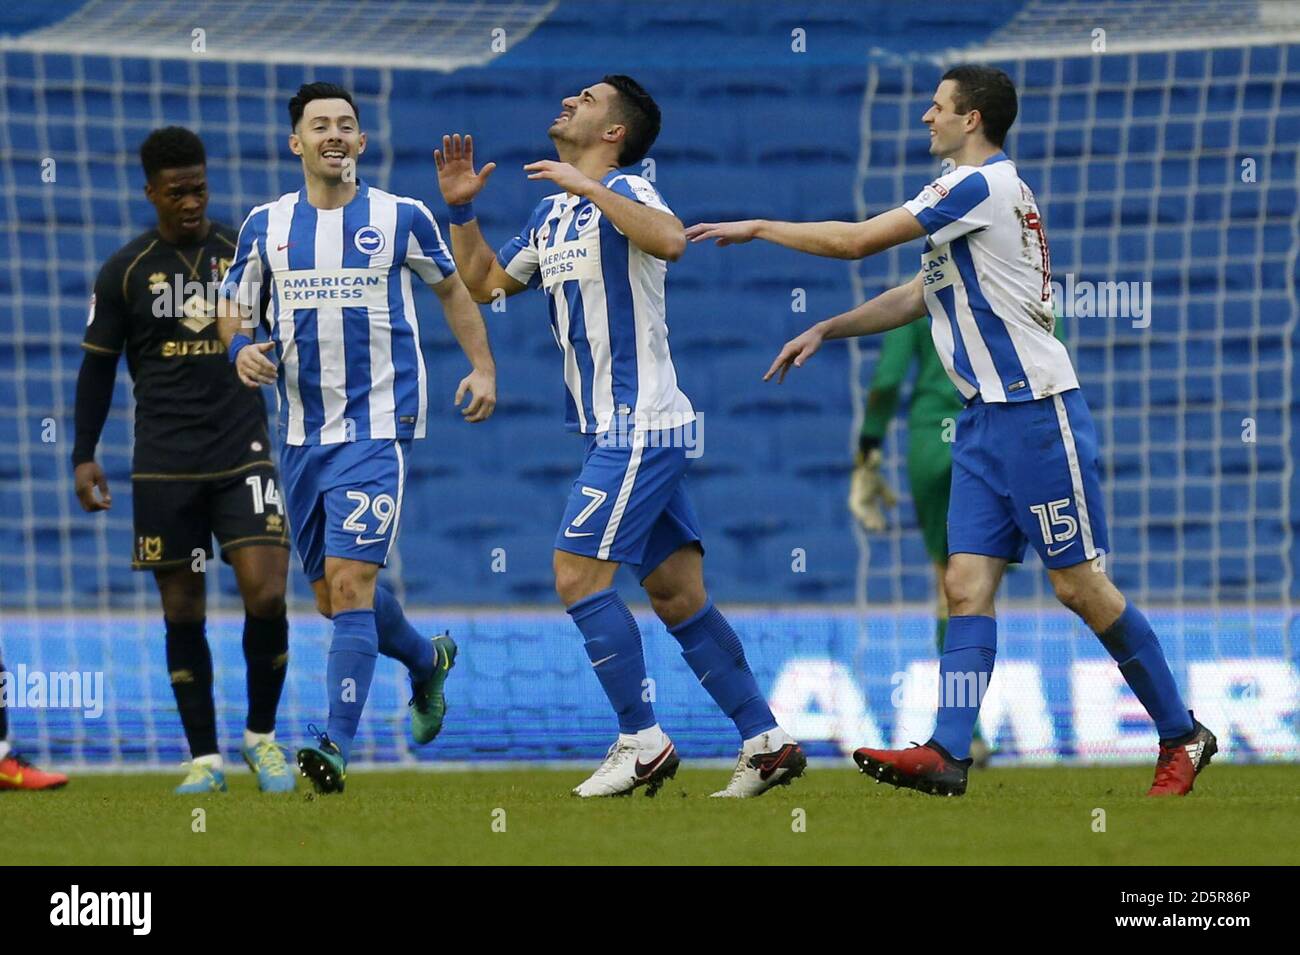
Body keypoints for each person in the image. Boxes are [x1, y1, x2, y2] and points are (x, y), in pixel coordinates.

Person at [687, 65, 1214, 797]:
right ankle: (947, 750)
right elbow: (919, 292)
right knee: (964, 584)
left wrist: (761, 225)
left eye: (936, 108)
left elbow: (857, 241)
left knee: (1078, 586)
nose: (925, 120)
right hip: (981, 426)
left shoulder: (977, 184)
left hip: (1035, 413)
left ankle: (1180, 733)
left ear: (972, 120)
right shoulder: (984, 200)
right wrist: (830, 327)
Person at [434, 75, 805, 797]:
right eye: (569, 92)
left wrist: (588, 185)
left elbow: (671, 242)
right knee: (675, 595)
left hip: (642, 423)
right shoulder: (548, 214)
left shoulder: (632, 192)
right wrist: (463, 211)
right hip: (612, 428)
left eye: (588, 98)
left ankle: (642, 738)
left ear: (615, 134)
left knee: (575, 574)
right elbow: (484, 284)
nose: (568, 99)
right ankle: (767, 739)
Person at [218, 83, 497, 794]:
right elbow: (232, 308)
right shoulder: (266, 225)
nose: (334, 134)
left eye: (346, 124)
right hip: (302, 436)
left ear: (362, 143)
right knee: (333, 597)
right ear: (297, 143)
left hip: (377, 427)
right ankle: (425, 662)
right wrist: (239, 349)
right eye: (320, 125)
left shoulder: (400, 217)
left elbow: (453, 290)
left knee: (350, 584)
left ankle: (334, 745)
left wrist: (483, 366)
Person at [74, 126, 294, 794]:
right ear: (151, 193)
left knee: (267, 590)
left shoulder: (244, 253)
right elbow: (97, 371)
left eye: (198, 187)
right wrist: (83, 455)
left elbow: (288, 328)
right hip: (164, 461)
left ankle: (261, 737)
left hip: (242, 448)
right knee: (182, 611)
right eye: (177, 192)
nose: (191, 201)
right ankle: (205, 757)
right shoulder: (125, 271)